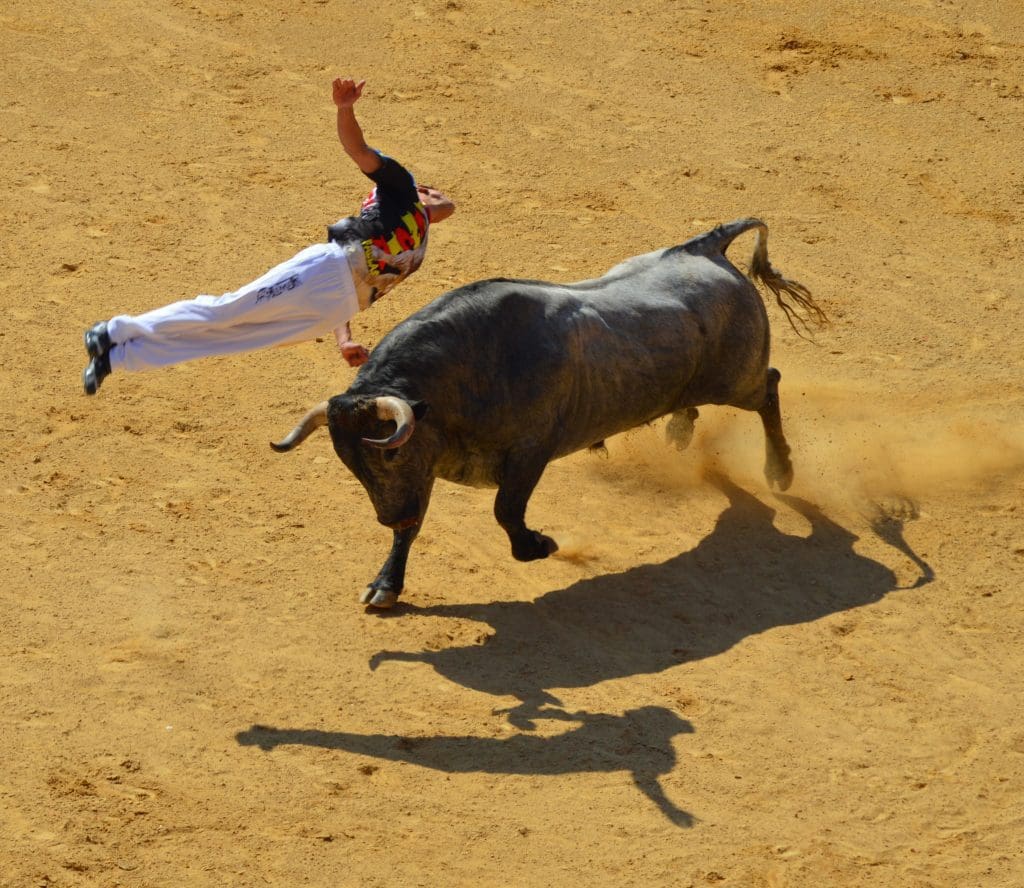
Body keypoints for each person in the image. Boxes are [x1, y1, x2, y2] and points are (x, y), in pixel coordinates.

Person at [82, 77, 455, 395]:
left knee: (235, 338)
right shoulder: (401, 187)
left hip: (339, 306)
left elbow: (362, 285)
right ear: (423, 189)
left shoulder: (418, 243)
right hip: (329, 267)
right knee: (226, 310)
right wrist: (345, 109)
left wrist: (343, 339)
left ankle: (117, 358)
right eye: (437, 193)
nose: (444, 200)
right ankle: (113, 331)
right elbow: (357, 150)